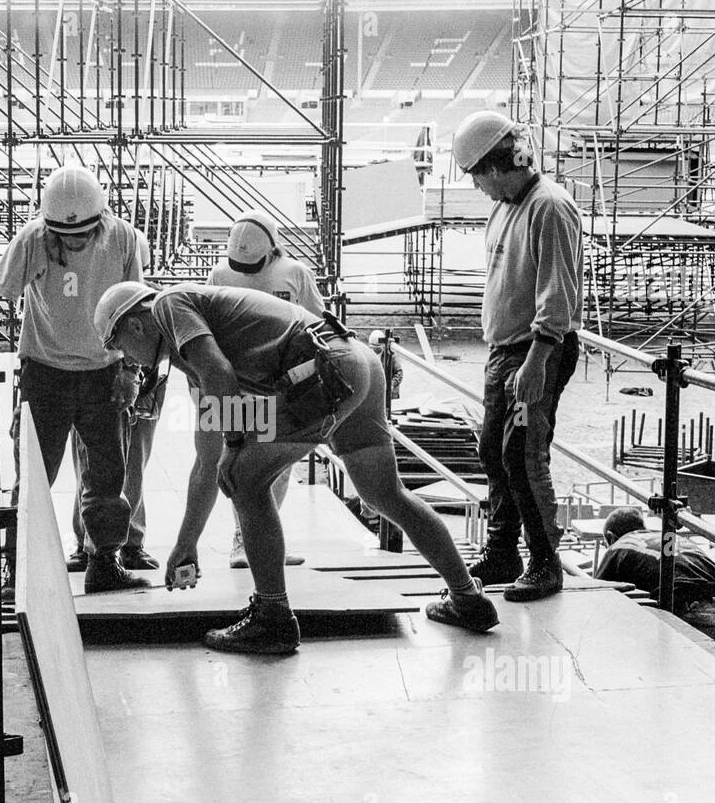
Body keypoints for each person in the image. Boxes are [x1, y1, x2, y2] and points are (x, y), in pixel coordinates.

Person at [95, 280, 499, 655]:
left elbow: (221, 382)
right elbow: (207, 461)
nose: (130, 363)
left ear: (135, 326)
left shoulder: (169, 306)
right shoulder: (195, 353)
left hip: (319, 373)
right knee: (383, 493)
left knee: (244, 480)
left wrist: (236, 448)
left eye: (122, 353)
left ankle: (272, 617)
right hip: (353, 364)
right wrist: (188, 542)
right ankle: (467, 598)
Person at [0, 165, 148, 594]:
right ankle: (18, 571)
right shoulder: (33, 239)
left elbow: (137, 310)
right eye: (66, 236)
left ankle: (103, 563)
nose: (74, 240)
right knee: (33, 479)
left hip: (102, 373)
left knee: (107, 477)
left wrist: (129, 369)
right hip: (45, 375)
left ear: (101, 219)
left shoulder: (122, 237)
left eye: (83, 233)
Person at [453, 110, 583, 603]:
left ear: (496, 165)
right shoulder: (506, 205)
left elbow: (558, 293)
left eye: (477, 178)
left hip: (538, 351)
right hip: (505, 350)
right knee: (493, 450)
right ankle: (503, 550)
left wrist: (538, 360)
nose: (478, 188)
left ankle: (545, 562)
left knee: (523, 455)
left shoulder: (550, 207)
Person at [207, 209, 322, 569]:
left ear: (272, 251)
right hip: (234, 381)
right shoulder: (220, 273)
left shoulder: (295, 274)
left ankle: (261, 539)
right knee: (236, 462)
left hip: (280, 383)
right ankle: (243, 539)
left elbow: (316, 324)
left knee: (279, 464)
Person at [67, 227, 160, 574]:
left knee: (130, 465)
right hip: (99, 379)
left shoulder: (145, 311)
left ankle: (129, 542)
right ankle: (91, 542)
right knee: (97, 464)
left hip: (139, 387)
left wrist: (132, 375)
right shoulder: (104, 300)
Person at [594, 508, 715, 648]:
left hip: (693, 614)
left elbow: (595, 597)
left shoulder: (620, 545)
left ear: (611, 536)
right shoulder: (669, 537)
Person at [368, 330, 404, 400]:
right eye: (372, 347)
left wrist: (392, 384)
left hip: (390, 394)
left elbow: (399, 372)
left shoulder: (391, 355)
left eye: (377, 347)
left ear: (382, 345)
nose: (374, 349)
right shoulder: (368, 355)